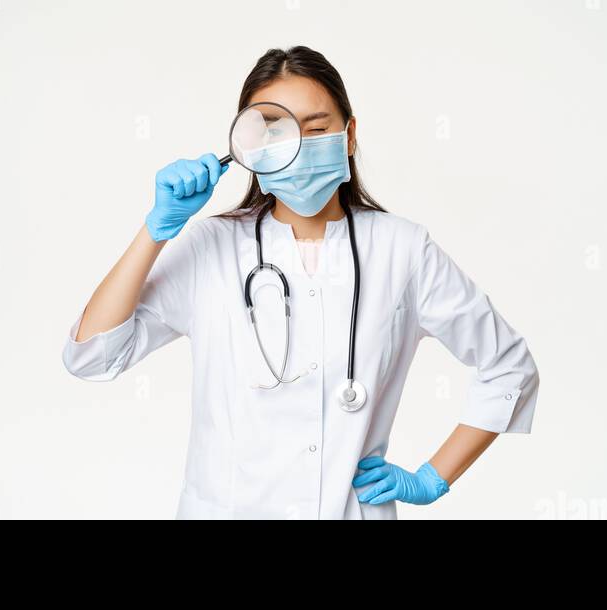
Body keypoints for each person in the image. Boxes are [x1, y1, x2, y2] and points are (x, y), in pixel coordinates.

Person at [63, 46, 539, 519]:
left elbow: (508, 365)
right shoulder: (212, 245)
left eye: (316, 129)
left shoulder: (403, 249)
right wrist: (155, 231)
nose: (298, 146)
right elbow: (91, 355)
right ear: (249, 146)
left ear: (349, 135)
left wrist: (432, 479)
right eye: (275, 131)